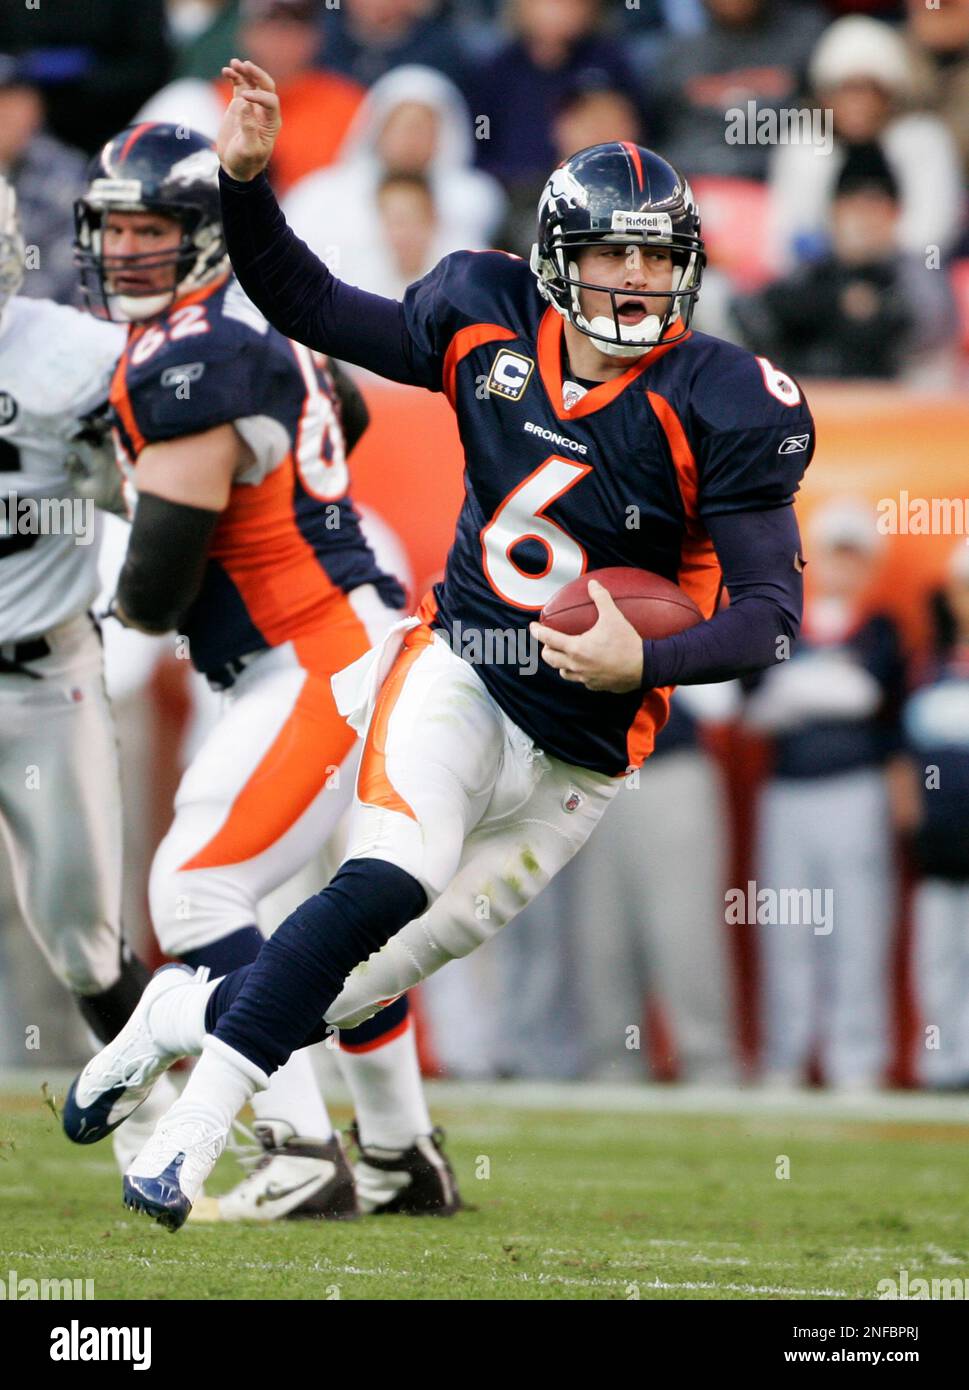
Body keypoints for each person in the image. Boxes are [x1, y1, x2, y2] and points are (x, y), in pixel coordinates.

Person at [66, 60, 815, 1231]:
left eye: (655, 257)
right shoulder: (482, 309)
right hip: (461, 667)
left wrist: (645, 663)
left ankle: (171, 1017)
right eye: (611, 253)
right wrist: (250, 188)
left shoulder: (723, 399)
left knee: (347, 984)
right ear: (557, 258)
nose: (633, 279)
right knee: (383, 879)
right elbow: (314, 307)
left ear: (687, 269)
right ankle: (187, 1144)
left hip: (584, 759)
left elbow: (772, 615)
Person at [66, 123, 460, 1219]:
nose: (132, 252)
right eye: (118, 230)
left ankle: (295, 1148)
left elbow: (152, 586)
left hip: (310, 654)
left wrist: (109, 542)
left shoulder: (191, 355)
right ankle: (401, 1152)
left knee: (194, 888)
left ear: (204, 239)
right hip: (344, 641)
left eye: (156, 230)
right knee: (311, 918)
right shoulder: (262, 341)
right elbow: (357, 405)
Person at [0, 175, 185, 1156]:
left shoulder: (78, 355)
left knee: (79, 935)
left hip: (43, 676)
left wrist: (117, 480)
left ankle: (158, 1125)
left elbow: (176, 485)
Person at [744, 500, 904, 1090]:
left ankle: (856, 1061)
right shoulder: (783, 622)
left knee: (858, 930)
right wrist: (807, 691)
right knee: (787, 932)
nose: (842, 568)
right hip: (788, 795)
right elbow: (751, 705)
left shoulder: (882, 628)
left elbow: (872, 700)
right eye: (833, 554)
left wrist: (801, 692)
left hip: (855, 795)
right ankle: (785, 1058)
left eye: (853, 556)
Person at [733, 142, 959, 381]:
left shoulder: (915, 270)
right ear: (834, 212)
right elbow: (754, 313)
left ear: (895, 214)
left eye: (874, 207)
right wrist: (835, 300)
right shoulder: (814, 267)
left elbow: (928, 328)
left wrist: (879, 307)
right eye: (852, 206)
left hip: (895, 403)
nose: (862, 219)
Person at [894, 545, 969, 1089]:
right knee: (938, 957)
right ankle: (945, 1065)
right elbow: (898, 748)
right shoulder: (926, 664)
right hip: (939, 844)